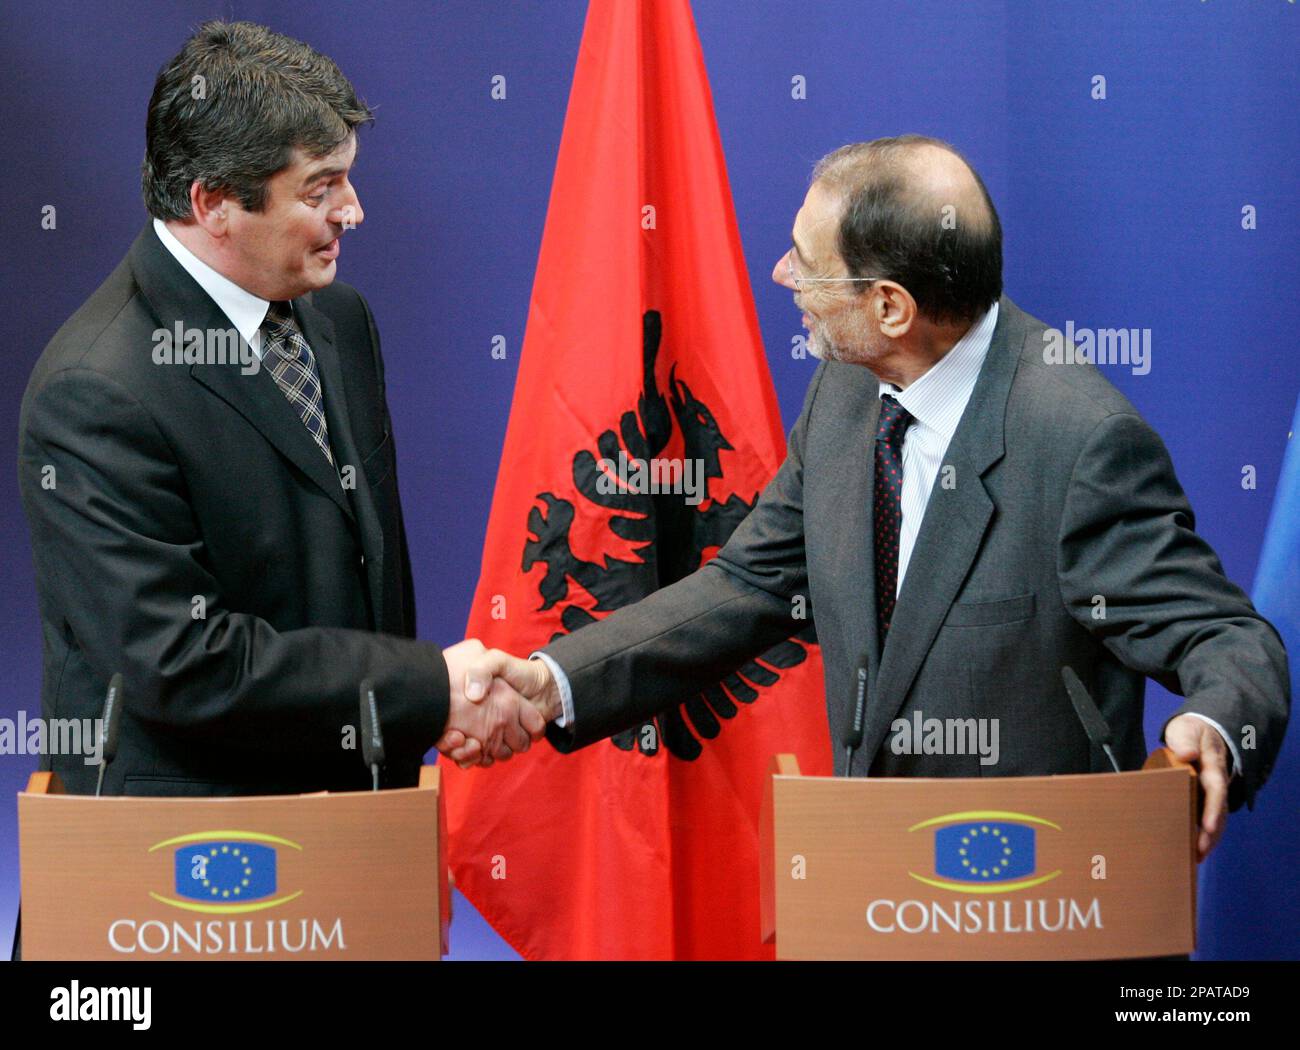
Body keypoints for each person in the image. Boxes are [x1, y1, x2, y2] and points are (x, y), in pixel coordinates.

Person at [448, 135, 1289, 862]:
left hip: (1033, 896)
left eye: (806, 267)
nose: (782, 275)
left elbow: (1228, 636)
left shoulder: (1080, 443)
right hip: (879, 893)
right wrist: (552, 684)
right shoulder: (848, 394)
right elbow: (751, 586)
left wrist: (1213, 729)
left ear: (890, 306)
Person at [17, 21, 541, 799]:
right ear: (215, 202)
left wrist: (403, 717)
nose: (353, 212)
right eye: (320, 189)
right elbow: (184, 666)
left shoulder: (340, 321)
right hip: (187, 872)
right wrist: (425, 688)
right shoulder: (96, 391)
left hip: (360, 824)